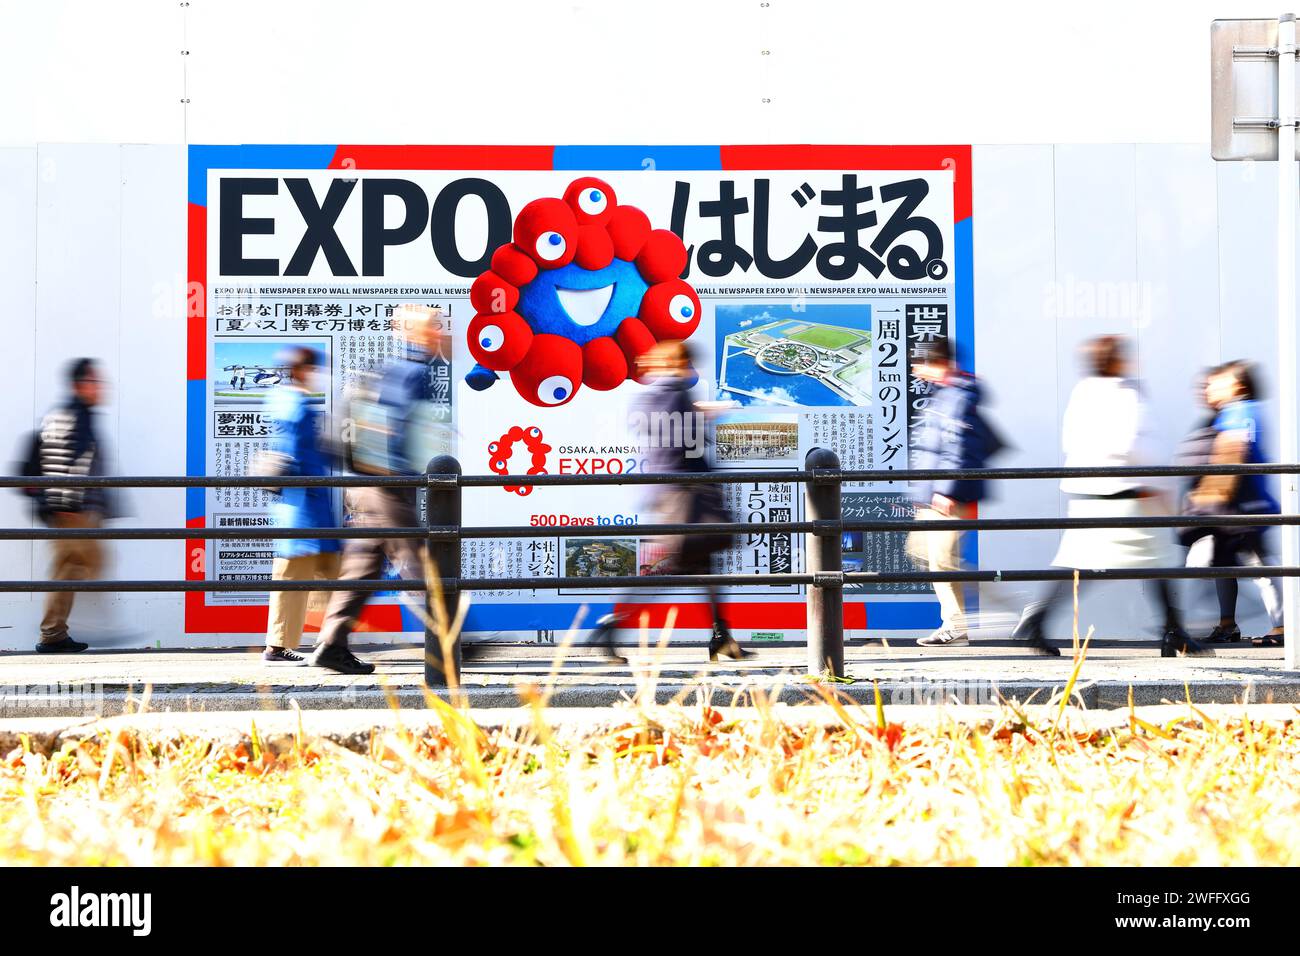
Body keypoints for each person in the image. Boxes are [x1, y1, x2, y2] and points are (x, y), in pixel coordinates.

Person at [1012, 336, 1211, 658]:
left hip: (1089, 492)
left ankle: (1037, 621)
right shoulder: (1126, 393)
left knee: (1082, 564)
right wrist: (1159, 484)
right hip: (1129, 493)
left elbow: (1073, 441)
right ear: (1117, 360)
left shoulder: (1084, 392)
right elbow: (1132, 445)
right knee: (1156, 562)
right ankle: (1174, 632)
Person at [588, 339, 753, 664]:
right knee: (676, 567)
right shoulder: (675, 391)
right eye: (689, 363)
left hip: (670, 493)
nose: (691, 370)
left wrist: (698, 414)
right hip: (685, 495)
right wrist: (707, 418)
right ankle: (612, 626)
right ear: (679, 363)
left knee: (705, 567)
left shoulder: (651, 394)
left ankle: (721, 635)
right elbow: (684, 436)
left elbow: (668, 427)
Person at [312, 307, 447, 675]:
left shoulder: (385, 367)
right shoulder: (414, 370)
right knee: (419, 562)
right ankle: (454, 642)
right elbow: (397, 426)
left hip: (363, 483)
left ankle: (331, 643)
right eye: (431, 327)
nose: (438, 333)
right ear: (412, 332)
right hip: (389, 485)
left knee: (362, 566)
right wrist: (409, 472)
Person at [908, 339, 1003, 648]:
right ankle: (972, 615)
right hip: (934, 493)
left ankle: (968, 619)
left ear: (938, 363)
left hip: (948, 495)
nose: (915, 370)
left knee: (942, 559)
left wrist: (946, 490)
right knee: (924, 553)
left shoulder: (958, 396)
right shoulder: (947, 394)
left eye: (919, 363)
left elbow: (960, 446)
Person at [1183, 361, 1285, 647]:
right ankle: (1228, 624)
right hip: (1238, 506)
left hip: (1246, 506)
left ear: (1238, 385)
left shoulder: (1240, 411)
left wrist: (1209, 495)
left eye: (1220, 381)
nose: (1212, 386)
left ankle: (1283, 626)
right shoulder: (1237, 411)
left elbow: (1232, 455)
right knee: (1223, 564)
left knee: (1261, 568)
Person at [262, 347, 342, 665]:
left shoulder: (280, 400)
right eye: (315, 369)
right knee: (302, 577)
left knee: (323, 575)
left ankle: (329, 640)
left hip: (295, 506)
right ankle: (283, 645)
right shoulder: (299, 406)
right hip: (306, 507)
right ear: (305, 369)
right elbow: (301, 457)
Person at [34, 359, 114, 653]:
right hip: (74, 514)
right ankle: (62, 632)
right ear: (80, 385)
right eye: (96, 382)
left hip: (70, 512)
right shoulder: (74, 416)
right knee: (93, 565)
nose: (101, 388)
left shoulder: (73, 414)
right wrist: (67, 504)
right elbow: (62, 461)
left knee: (67, 570)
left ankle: (53, 634)